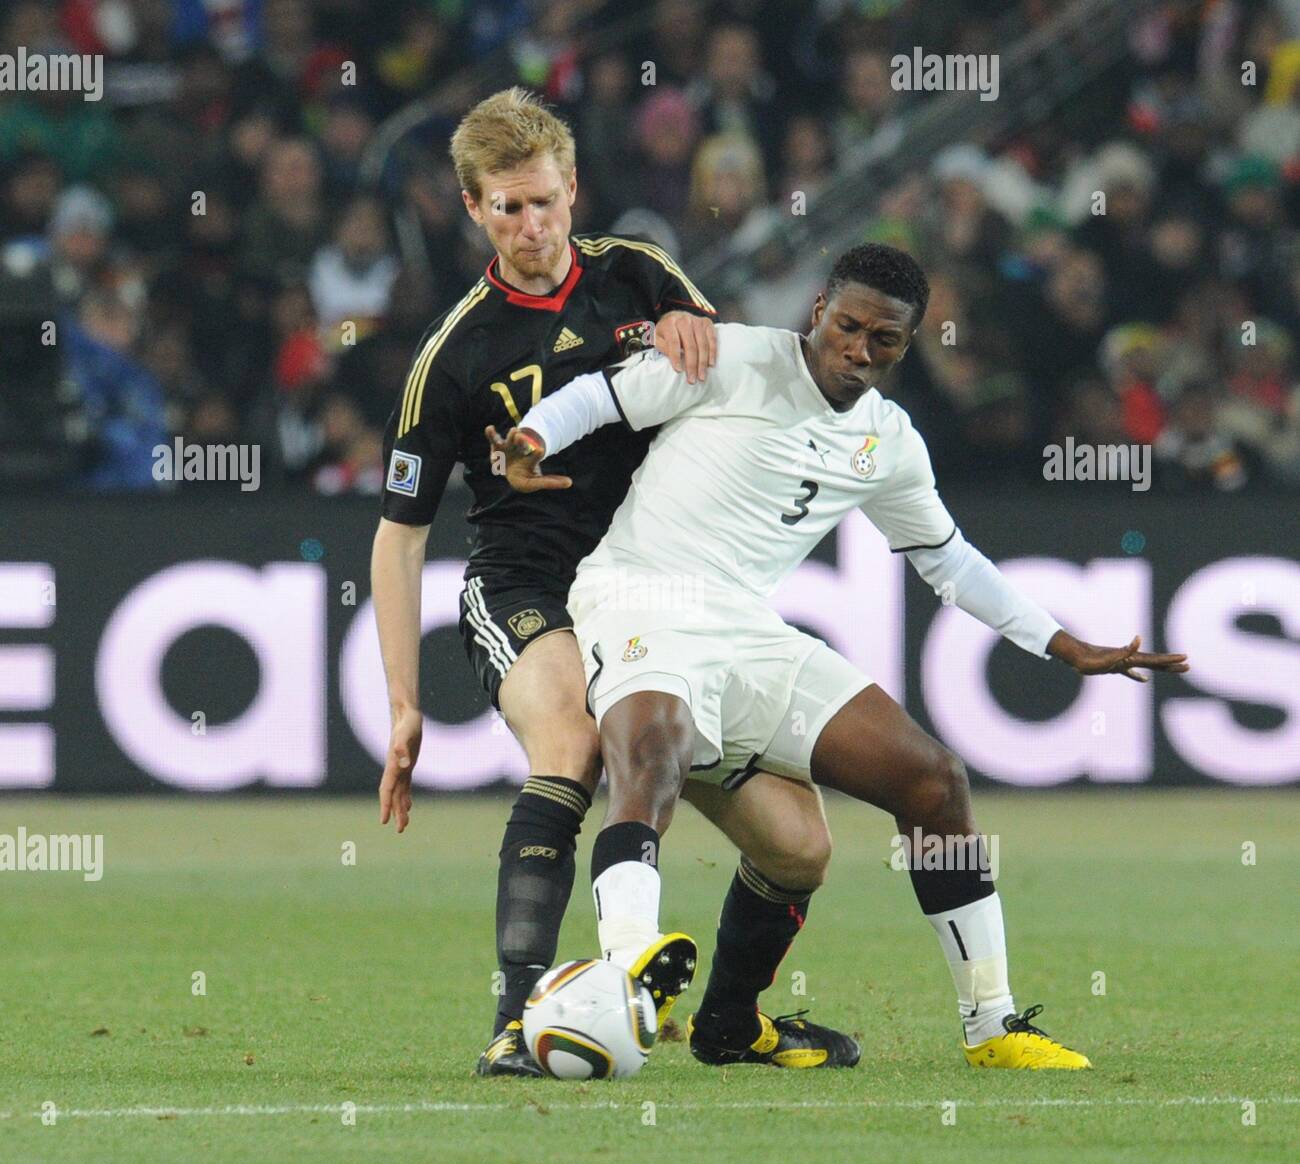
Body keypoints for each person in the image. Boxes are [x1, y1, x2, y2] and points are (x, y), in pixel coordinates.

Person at [491, 243, 1190, 1070]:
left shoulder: (888, 442)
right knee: (654, 747)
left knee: (934, 780)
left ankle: (991, 1024)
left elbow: (951, 561)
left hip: (749, 632)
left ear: (910, 342)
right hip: (641, 598)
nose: (858, 350)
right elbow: (600, 398)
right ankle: (631, 966)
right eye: (848, 325)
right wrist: (531, 437)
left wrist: (1063, 644)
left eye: (884, 340)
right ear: (819, 306)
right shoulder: (732, 356)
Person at [373, 88, 856, 1076]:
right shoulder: (452, 357)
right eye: (505, 208)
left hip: (653, 586)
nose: (530, 227)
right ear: (473, 209)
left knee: (800, 844)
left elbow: (711, 370)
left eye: (543, 202)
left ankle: (730, 1023)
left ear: (573, 190)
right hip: (530, 584)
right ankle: (517, 1019)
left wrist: (691, 332)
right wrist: (402, 705)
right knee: (572, 740)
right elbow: (398, 536)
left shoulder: (637, 274)